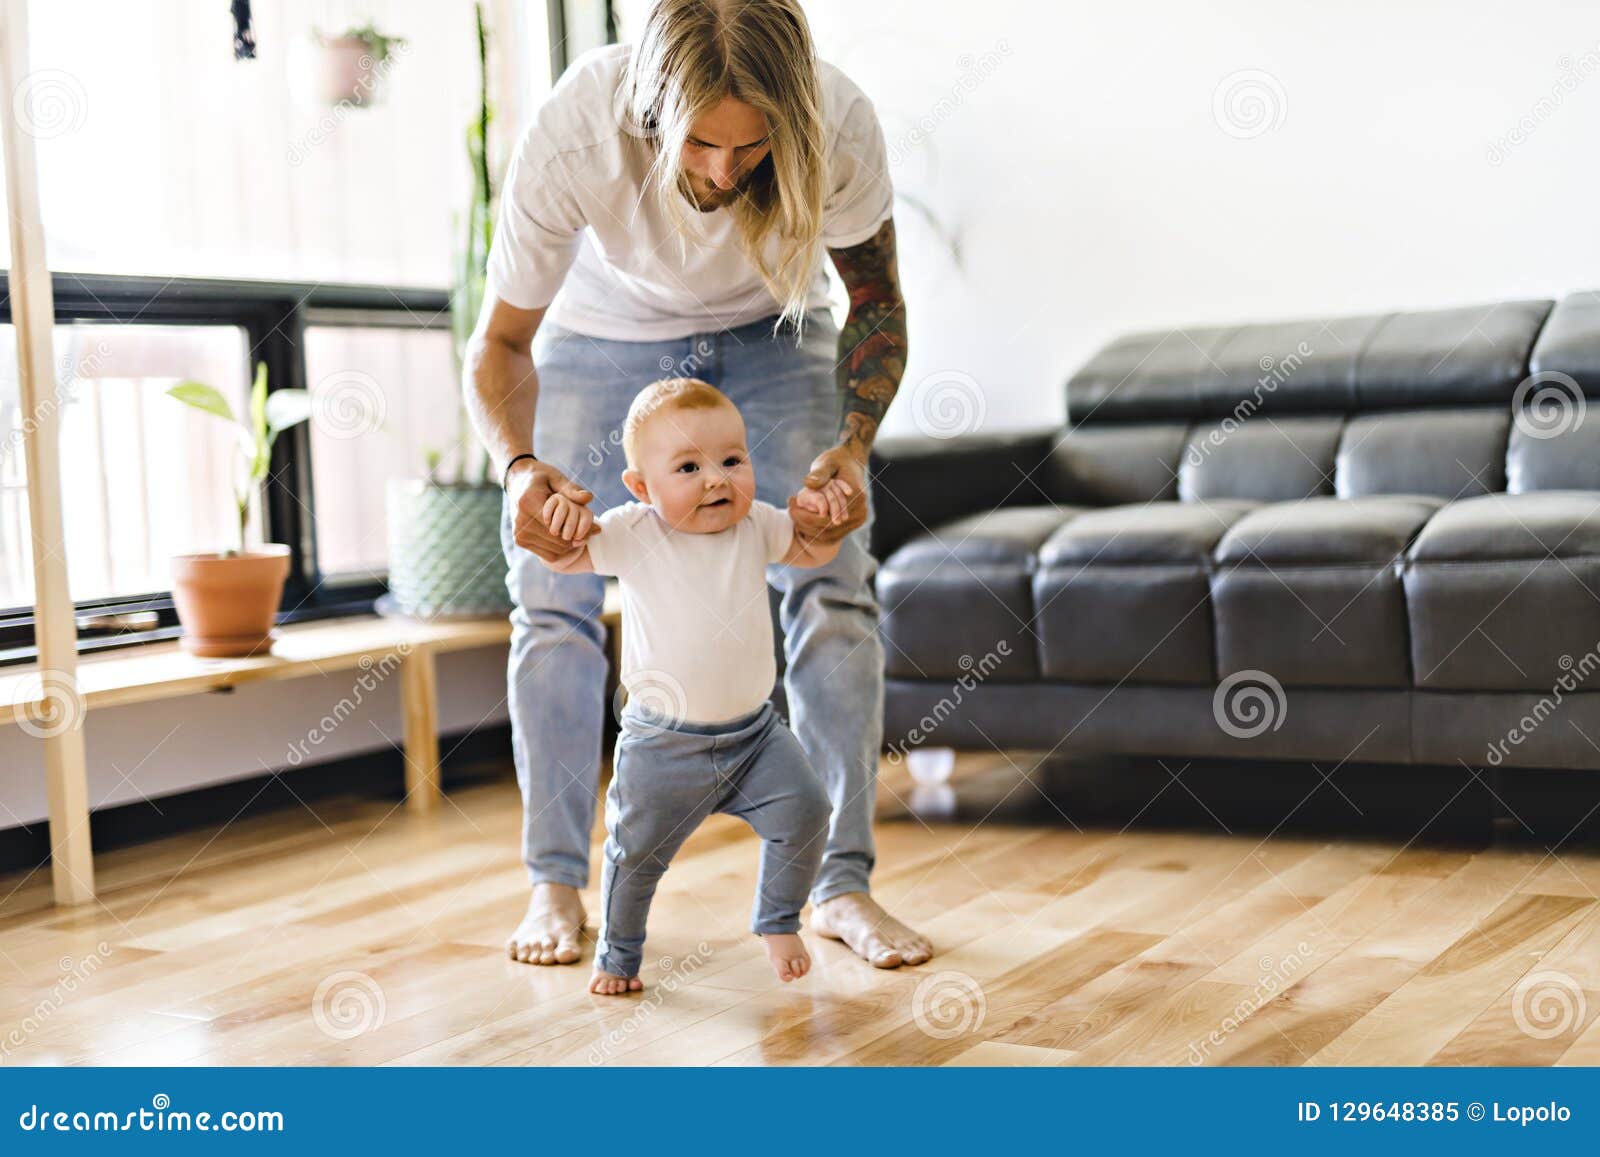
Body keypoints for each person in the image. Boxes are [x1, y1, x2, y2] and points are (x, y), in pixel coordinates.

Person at [464, 0, 933, 971]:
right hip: (601, 333)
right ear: (650, 109)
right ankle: (555, 881)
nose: (724, 171)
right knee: (549, 592)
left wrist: (851, 442)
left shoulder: (836, 122)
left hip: (772, 327)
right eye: (701, 144)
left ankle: (840, 884)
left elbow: (875, 298)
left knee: (831, 578)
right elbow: (500, 343)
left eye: (753, 145)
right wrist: (519, 469)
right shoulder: (578, 129)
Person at [541, 378, 852, 993]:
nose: (717, 479)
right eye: (688, 466)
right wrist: (564, 522)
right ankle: (619, 952)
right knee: (635, 858)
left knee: (810, 810)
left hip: (757, 736)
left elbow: (813, 554)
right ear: (640, 486)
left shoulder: (758, 524)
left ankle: (778, 919)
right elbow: (563, 558)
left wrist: (827, 517)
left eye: (733, 460)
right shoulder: (633, 531)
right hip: (663, 745)